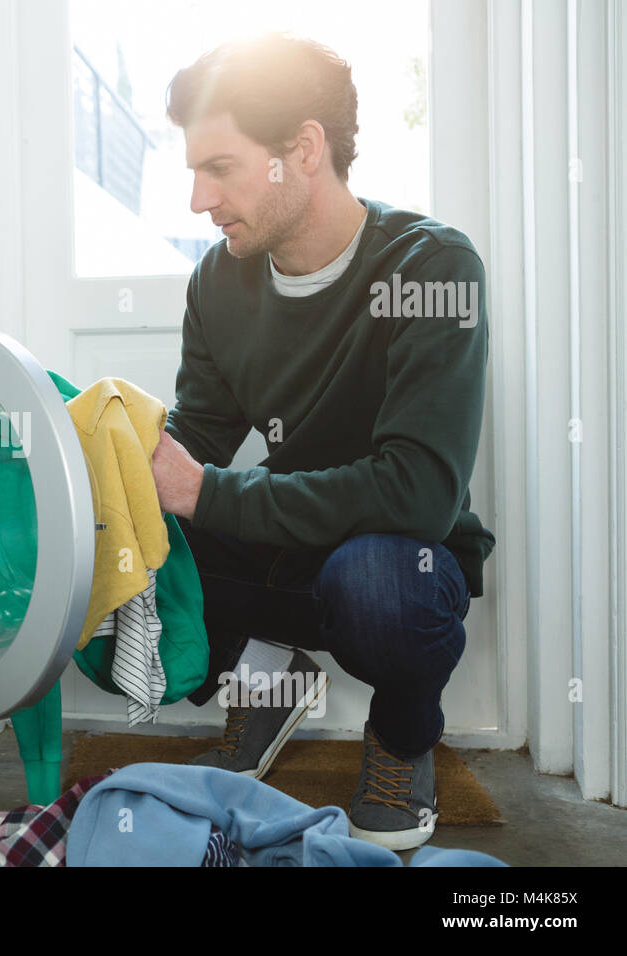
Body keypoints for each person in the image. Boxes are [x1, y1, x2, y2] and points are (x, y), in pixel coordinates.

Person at [149, 32, 495, 851]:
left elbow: (418, 492)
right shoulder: (220, 279)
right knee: (138, 535)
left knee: (382, 582)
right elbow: (197, 437)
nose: (199, 199)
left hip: (399, 561)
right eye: (192, 170)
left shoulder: (433, 265)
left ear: (302, 149)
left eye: (220, 168)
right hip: (290, 548)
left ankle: (403, 734)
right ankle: (268, 684)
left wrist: (204, 490)